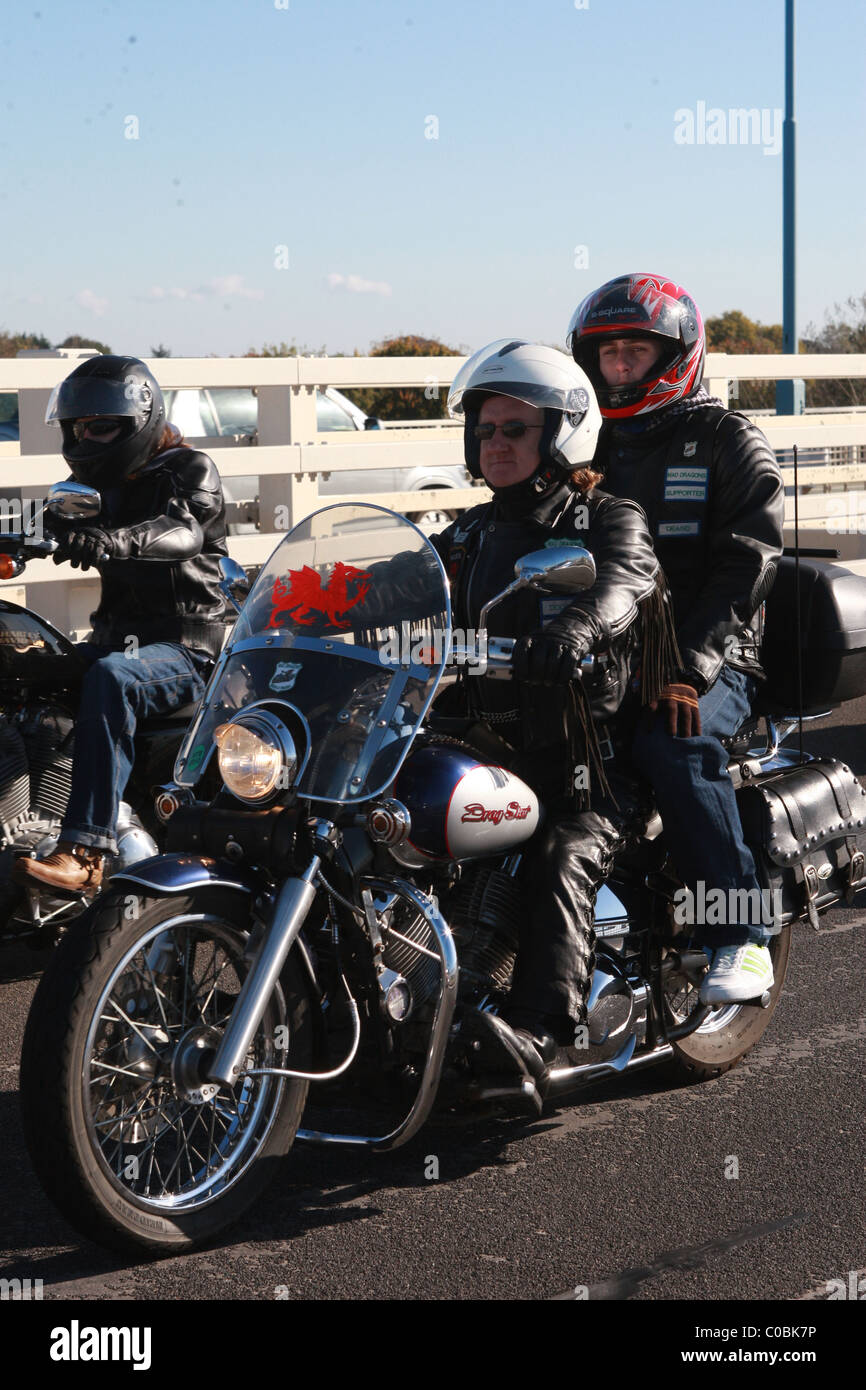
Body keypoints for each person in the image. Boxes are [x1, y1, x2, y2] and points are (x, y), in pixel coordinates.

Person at [436, 339, 681, 1079]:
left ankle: (541, 1030)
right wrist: (311, 602)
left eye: (515, 429)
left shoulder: (609, 517)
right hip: (490, 741)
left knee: (559, 852)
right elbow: (401, 579)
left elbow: (625, 583)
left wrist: (575, 627)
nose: (496, 443)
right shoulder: (473, 531)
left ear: (560, 433)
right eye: (485, 430)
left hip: (589, 756)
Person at [567, 273, 786, 1004]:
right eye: (610, 355)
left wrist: (691, 666)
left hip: (712, 655)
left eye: (636, 351)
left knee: (669, 743)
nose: (621, 367)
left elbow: (749, 560)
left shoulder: (725, 438)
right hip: (605, 648)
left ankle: (741, 935)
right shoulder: (584, 444)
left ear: (676, 355)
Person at [14, 355, 229, 896]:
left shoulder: (189, 470)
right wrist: (21, 537)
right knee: (19, 661)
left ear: (141, 419)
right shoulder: (91, 485)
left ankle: (87, 848)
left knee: (113, 676)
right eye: (78, 428)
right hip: (118, 642)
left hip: (189, 649)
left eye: (102, 426)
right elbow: (39, 522)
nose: (87, 439)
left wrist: (113, 540)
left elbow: (182, 532)